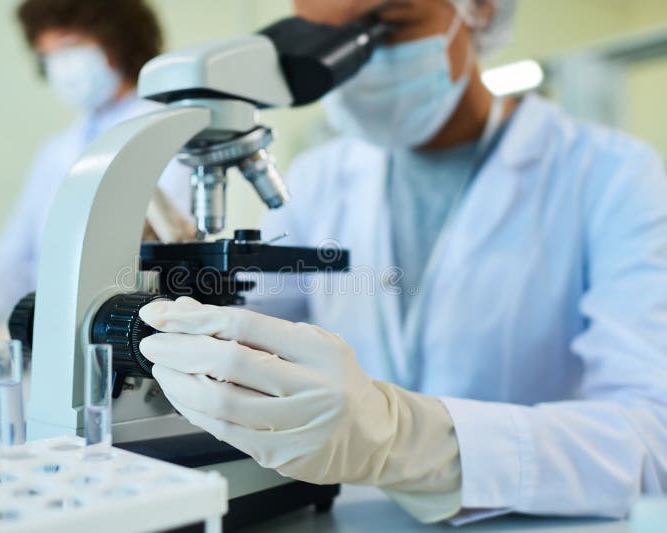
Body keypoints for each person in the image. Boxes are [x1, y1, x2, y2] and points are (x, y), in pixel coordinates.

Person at [136, 0, 667, 524]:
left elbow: (653, 439)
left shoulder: (612, 176)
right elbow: (249, 331)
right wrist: (174, 283)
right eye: (327, 38)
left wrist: (407, 441)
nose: (357, 61)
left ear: (478, 9)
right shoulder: (321, 174)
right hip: (348, 516)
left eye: (386, 23)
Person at [0, 0, 191, 360]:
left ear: (120, 42)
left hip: (125, 347)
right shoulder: (57, 150)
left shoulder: (169, 138)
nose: (61, 67)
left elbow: (140, 268)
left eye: (70, 48)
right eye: (47, 55)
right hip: (54, 350)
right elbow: (11, 264)